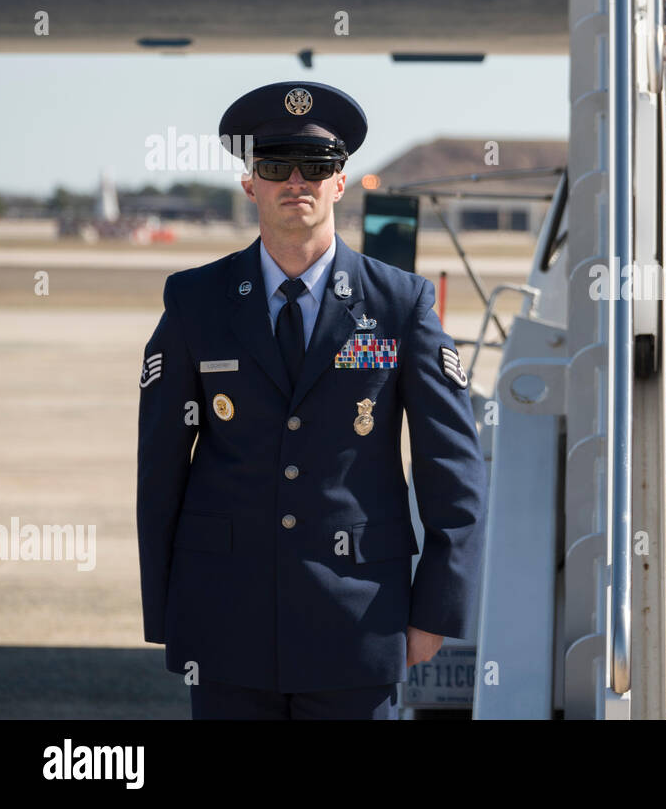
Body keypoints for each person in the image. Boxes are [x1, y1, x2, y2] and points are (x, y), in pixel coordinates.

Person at [136, 81, 488, 719]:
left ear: (340, 183)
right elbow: (159, 469)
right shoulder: (195, 303)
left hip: (358, 619)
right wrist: (167, 611)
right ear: (251, 184)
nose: (296, 181)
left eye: (317, 167)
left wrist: (435, 612)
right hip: (224, 618)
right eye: (275, 166)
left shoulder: (400, 305)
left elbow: (453, 473)